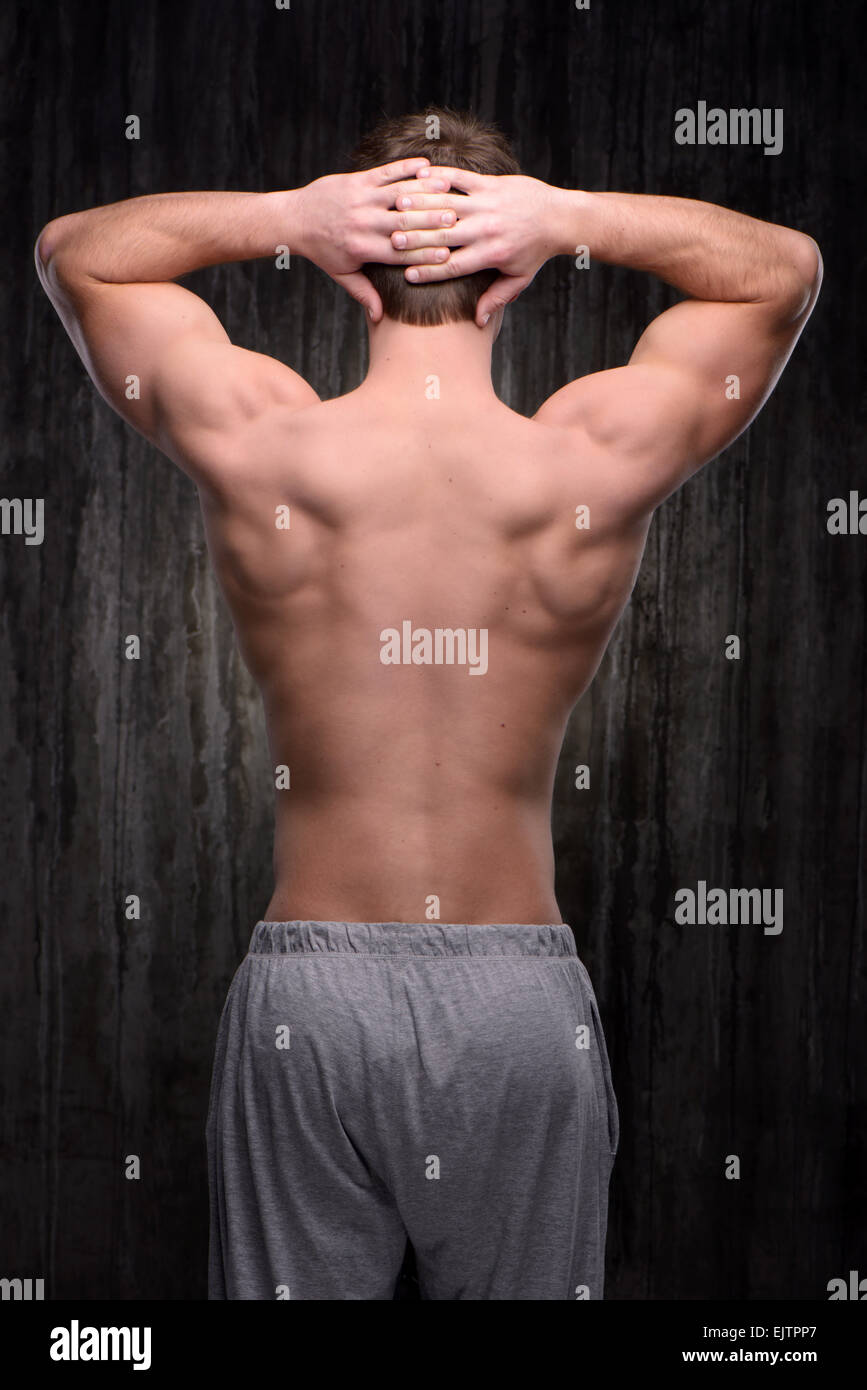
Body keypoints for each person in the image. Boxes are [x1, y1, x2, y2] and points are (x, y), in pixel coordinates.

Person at [34, 107, 822, 1300]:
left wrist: (287, 220)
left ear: (356, 279)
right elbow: (786, 273)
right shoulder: (588, 462)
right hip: (517, 1000)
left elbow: (73, 251)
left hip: (312, 1001)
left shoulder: (269, 444)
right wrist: (571, 219)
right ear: (505, 282)